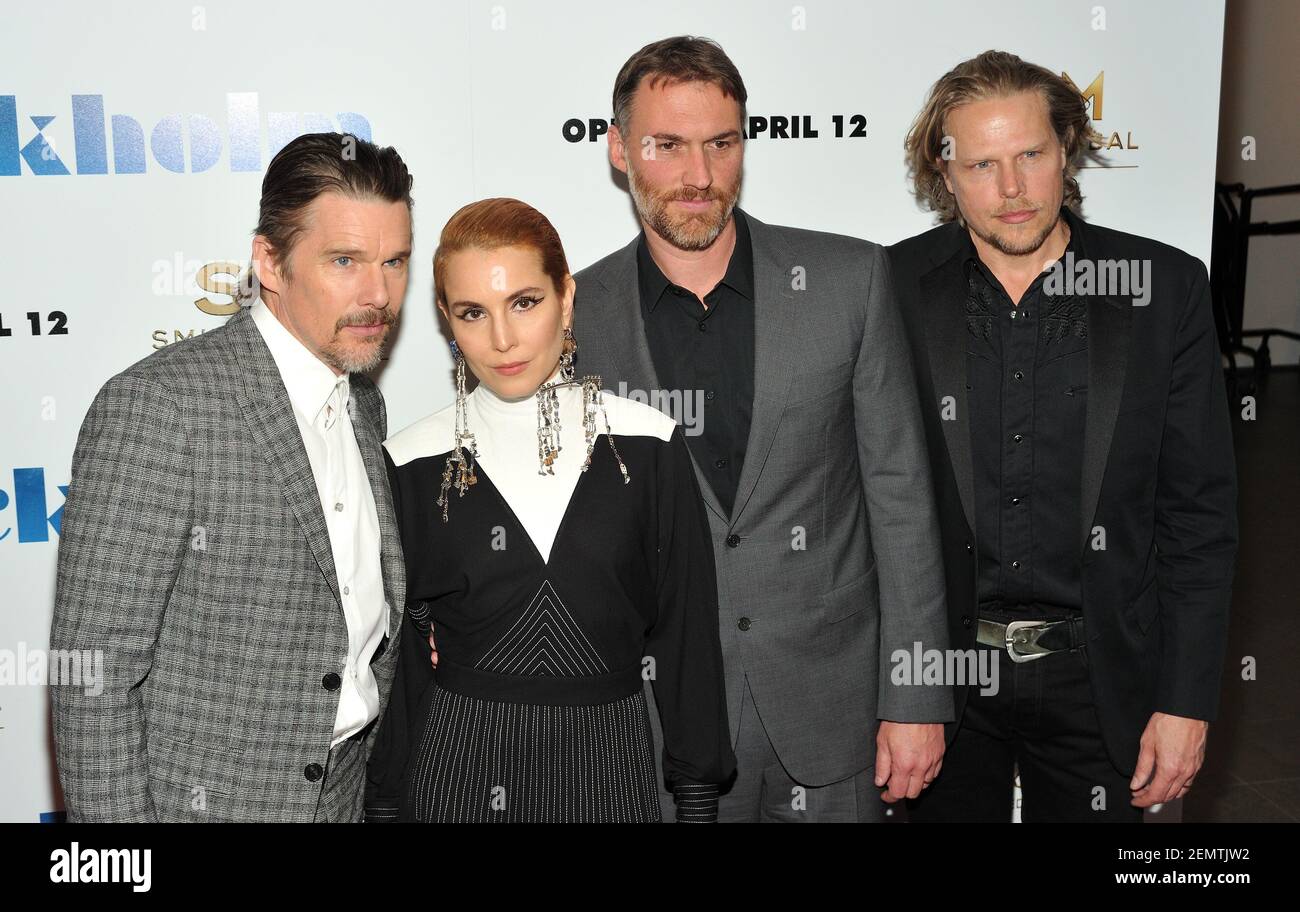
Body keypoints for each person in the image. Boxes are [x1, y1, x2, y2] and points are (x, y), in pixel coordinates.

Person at [572, 36, 951, 822]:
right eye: (666, 146)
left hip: (836, 712)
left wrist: (917, 694)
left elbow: (902, 498)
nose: (699, 176)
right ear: (617, 149)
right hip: (657, 724)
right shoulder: (574, 316)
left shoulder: (849, 281)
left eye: (721, 143)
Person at [888, 50, 1238, 822]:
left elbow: (1198, 519)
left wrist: (1186, 701)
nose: (1010, 189)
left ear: (1068, 152)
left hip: (1106, 679)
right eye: (980, 164)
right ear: (944, 175)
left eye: (1030, 157)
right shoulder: (890, 292)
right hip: (941, 682)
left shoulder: (1163, 289)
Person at [49, 132, 411, 822]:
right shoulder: (161, 408)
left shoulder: (364, 401)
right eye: (345, 260)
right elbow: (94, 680)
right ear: (269, 263)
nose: (379, 293)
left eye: (395, 261)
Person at [364, 197, 734, 823]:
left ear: (566, 297)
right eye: (473, 313)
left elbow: (686, 642)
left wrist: (697, 799)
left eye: (524, 302)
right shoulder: (409, 462)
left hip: (609, 775)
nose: (502, 338)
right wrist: (385, 805)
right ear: (446, 321)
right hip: (456, 778)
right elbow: (400, 668)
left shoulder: (649, 445)